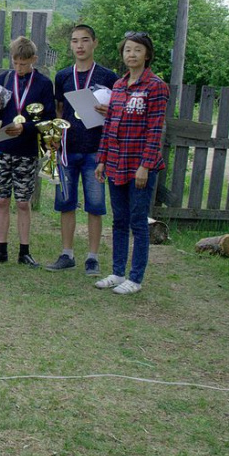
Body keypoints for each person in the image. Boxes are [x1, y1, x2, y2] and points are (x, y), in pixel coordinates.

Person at [95, 31, 168, 295]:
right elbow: (110, 126)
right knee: (119, 221)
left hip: (140, 167)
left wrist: (145, 165)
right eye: (127, 50)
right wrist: (102, 159)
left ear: (147, 54)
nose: (131, 54)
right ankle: (117, 272)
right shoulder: (118, 85)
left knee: (138, 222)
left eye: (137, 50)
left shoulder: (155, 86)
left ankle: (135, 278)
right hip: (115, 163)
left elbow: (155, 130)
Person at [47, 24, 119, 275]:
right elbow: (58, 111)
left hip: (95, 151)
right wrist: (55, 137)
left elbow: (116, 113)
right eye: (75, 41)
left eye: (85, 40)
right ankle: (67, 253)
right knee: (66, 202)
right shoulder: (64, 76)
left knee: (95, 204)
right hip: (67, 149)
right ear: (70, 45)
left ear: (94, 43)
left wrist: (110, 113)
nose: (80, 45)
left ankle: (93, 257)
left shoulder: (109, 77)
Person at [0, 36, 54, 268]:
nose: (19, 67)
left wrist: (26, 127)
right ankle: (1, 249)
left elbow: (49, 118)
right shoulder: (4, 78)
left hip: (26, 150)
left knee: (23, 202)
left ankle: (24, 251)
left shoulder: (42, 83)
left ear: (34, 59)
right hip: (1, 147)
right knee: (1, 199)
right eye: (15, 62)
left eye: (24, 63)